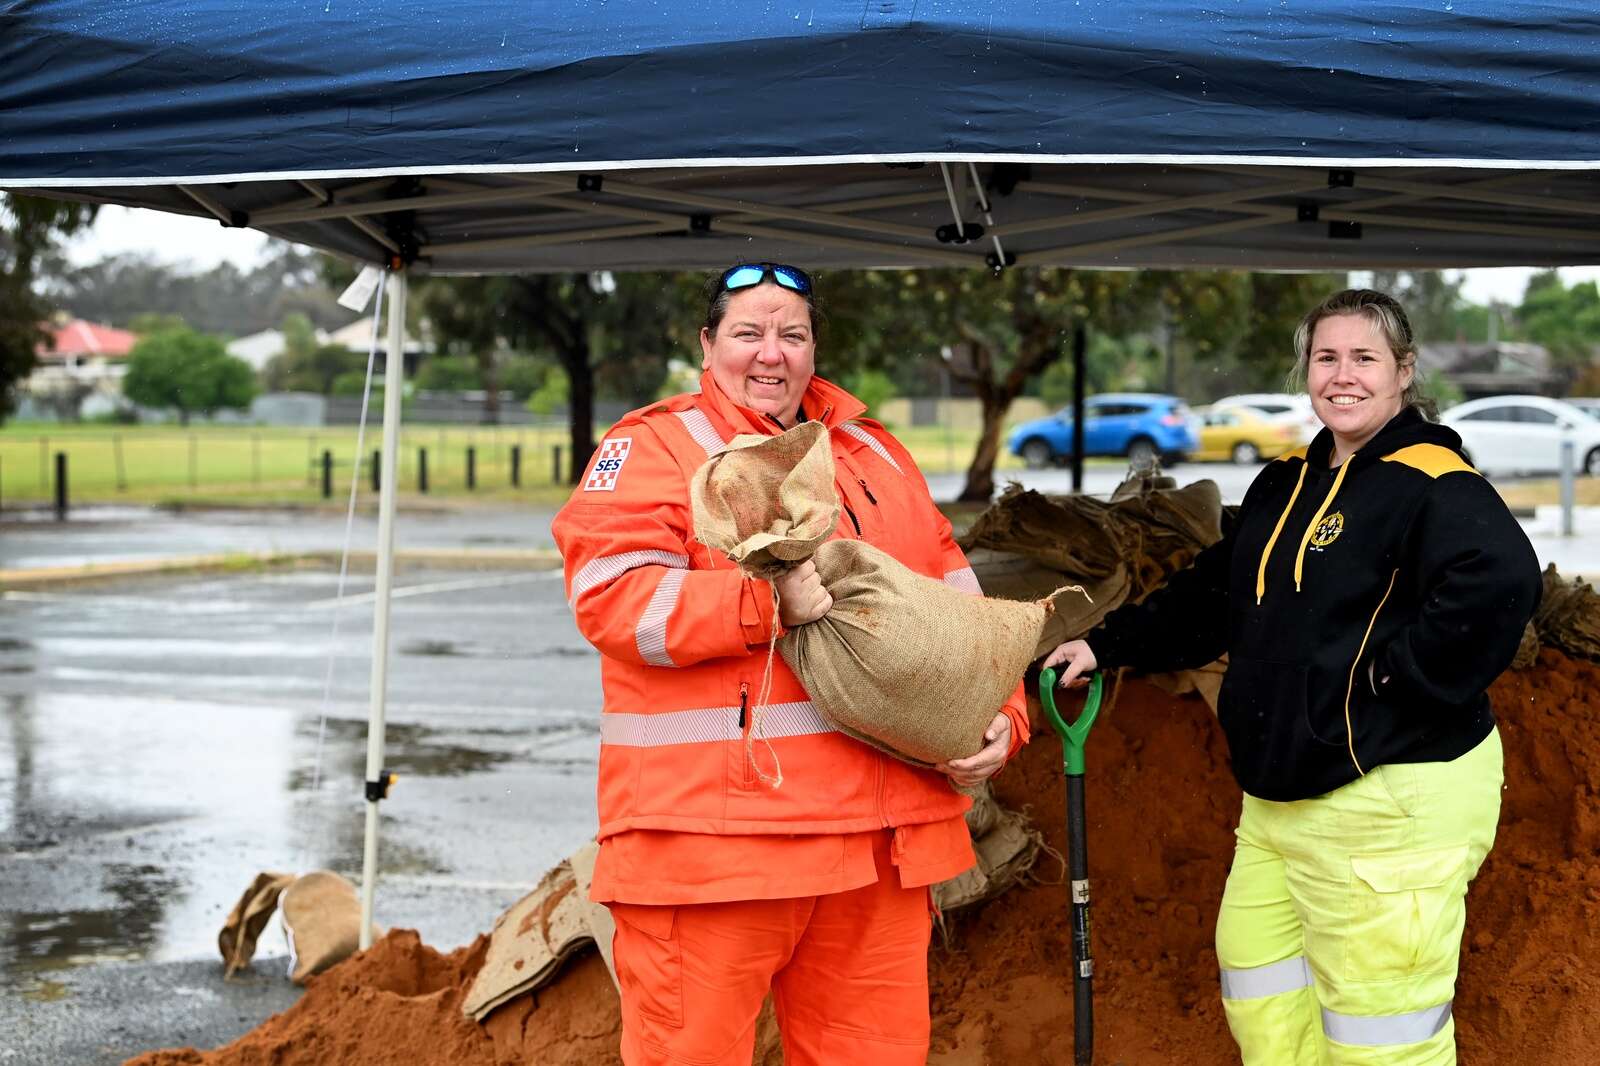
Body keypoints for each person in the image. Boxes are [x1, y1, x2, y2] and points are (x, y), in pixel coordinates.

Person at [1045, 289, 1541, 1065]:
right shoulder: (1287, 481)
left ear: (1404, 371)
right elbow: (1217, 590)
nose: (1343, 375)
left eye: (1365, 358)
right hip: (1281, 797)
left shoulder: (1433, 481)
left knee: (1381, 1036)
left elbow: (1500, 584)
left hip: (1389, 795)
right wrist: (1106, 644)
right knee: (1262, 991)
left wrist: (1379, 686)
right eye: (1326, 357)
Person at [552, 262, 1029, 1066]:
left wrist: (1003, 712)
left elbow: (960, 606)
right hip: (714, 849)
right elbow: (612, 600)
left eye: (793, 334)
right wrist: (761, 603)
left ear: (814, 349)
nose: (771, 353)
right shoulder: (654, 447)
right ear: (707, 344)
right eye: (749, 332)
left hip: (879, 852)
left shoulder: (874, 451)